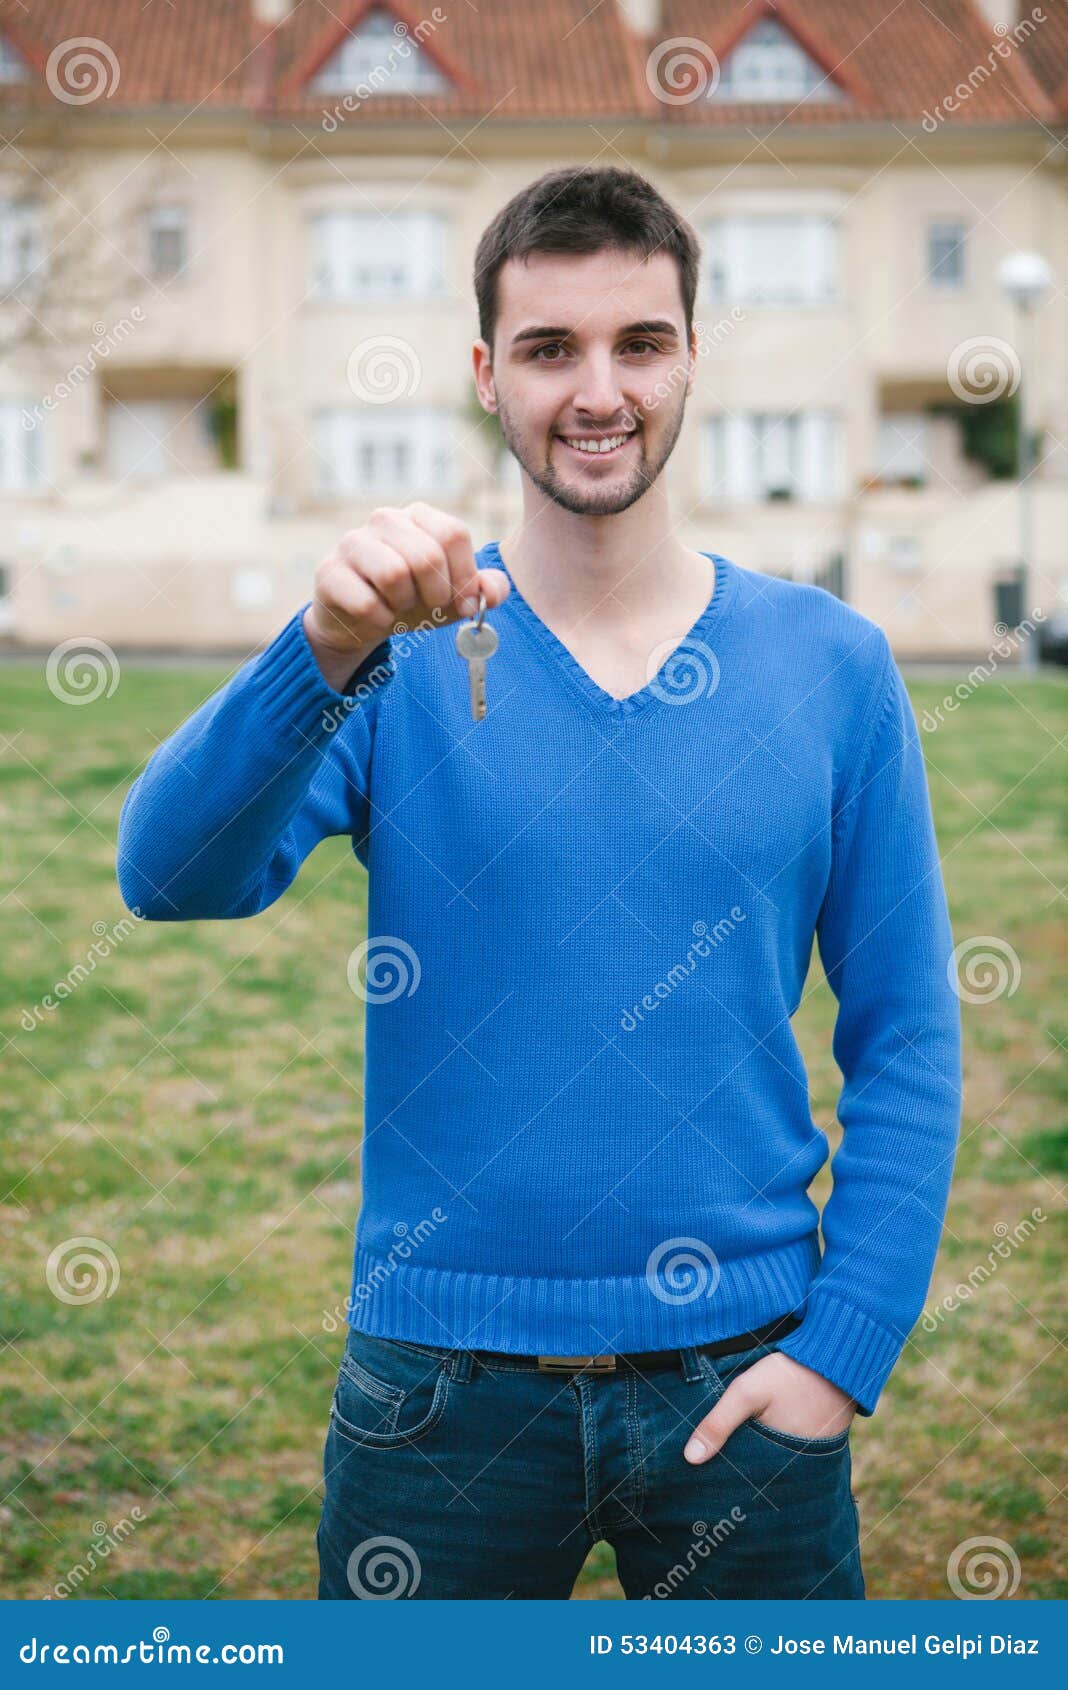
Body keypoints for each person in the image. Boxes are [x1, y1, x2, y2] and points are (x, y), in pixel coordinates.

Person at [116, 165, 962, 1600]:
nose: (598, 389)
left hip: (745, 1379)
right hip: (436, 1396)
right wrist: (317, 652)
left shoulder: (833, 667)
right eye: (549, 347)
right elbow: (171, 872)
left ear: (692, 358)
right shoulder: (396, 656)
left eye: (640, 342)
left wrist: (844, 1346)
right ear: (484, 376)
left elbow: (908, 1034)